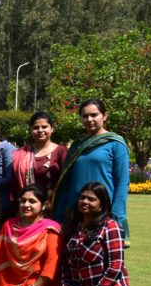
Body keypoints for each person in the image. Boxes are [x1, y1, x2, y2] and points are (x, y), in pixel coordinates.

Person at [55, 182, 129, 286]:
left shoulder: (111, 226)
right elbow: (66, 263)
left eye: (91, 199)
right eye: (82, 198)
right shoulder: (74, 226)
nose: (85, 202)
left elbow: (116, 267)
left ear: (102, 205)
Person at [55, 99, 131, 245]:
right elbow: (65, 182)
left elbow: (122, 183)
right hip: (75, 212)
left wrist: (116, 216)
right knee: (72, 258)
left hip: (102, 212)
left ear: (105, 116)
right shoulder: (77, 145)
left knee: (100, 258)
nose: (89, 119)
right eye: (85, 116)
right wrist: (60, 214)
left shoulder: (115, 144)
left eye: (94, 115)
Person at [11, 111, 68, 205]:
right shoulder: (21, 153)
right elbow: (15, 183)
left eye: (44, 127)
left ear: (52, 129)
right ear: (30, 130)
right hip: (27, 205)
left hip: (53, 204)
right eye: (36, 127)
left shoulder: (61, 151)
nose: (40, 130)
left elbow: (66, 180)